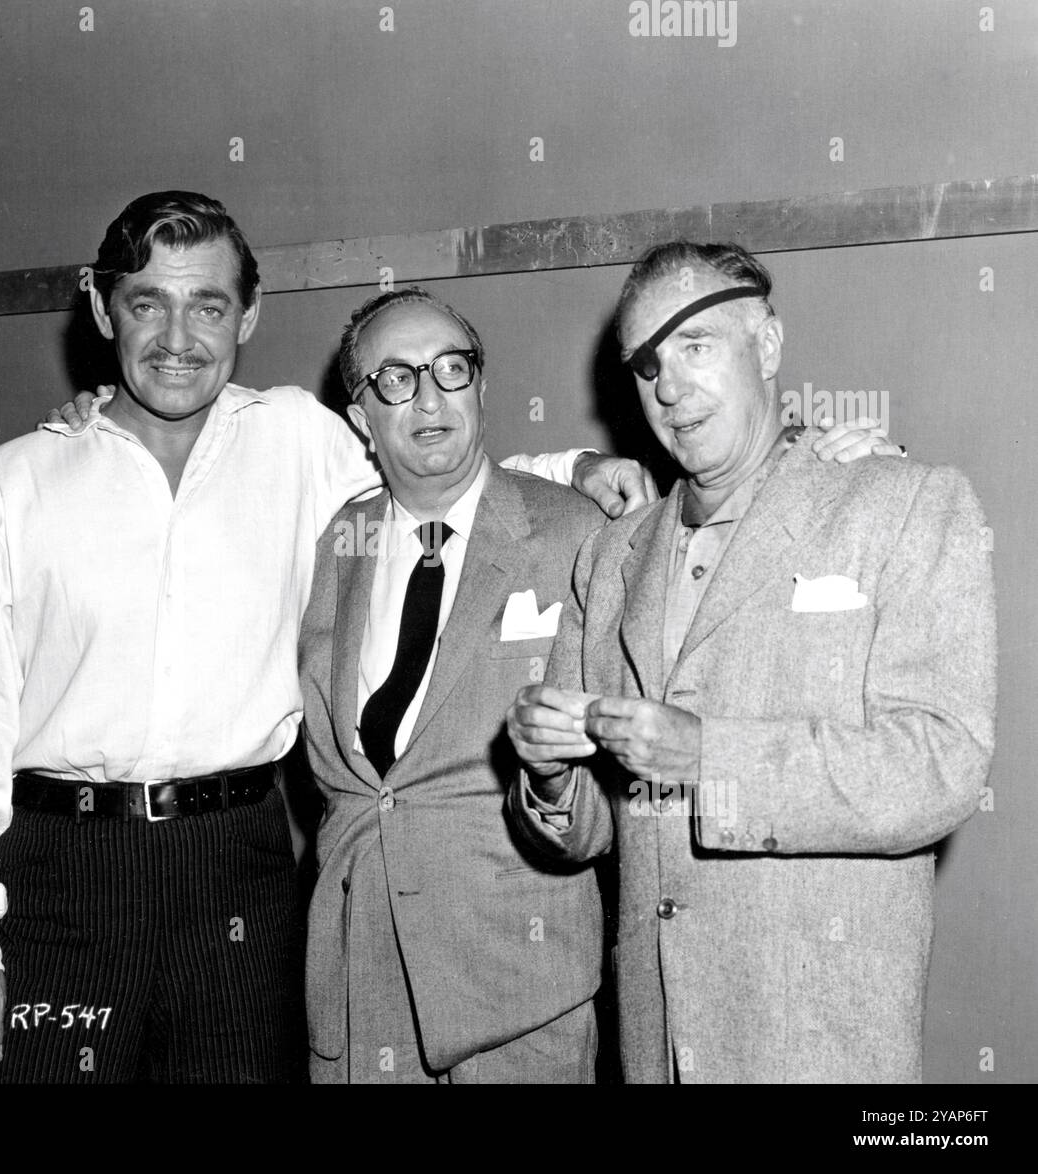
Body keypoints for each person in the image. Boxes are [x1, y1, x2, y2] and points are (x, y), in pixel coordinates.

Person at [0, 191, 656, 1084]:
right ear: (102, 308)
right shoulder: (15, 484)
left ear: (248, 315)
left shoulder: (297, 439)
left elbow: (436, 476)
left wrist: (583, 469)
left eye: (209, 306)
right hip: (63, 877)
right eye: (148, 302)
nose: (178, 337)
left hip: (241, 877)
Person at [298, 286, 898, 1083]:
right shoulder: (333, 541)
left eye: (451, 369)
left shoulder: (585, 532)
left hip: (517, 1002)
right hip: (358, 988)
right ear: (359, 417)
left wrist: (847, 465)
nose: (430, 397)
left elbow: (727, 509)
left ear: (483, 386)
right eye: (396, 379)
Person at [506, 241, 997, 1083]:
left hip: (820, 1040)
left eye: (697, 346)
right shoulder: (611, 557)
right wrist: (549, 776)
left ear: (768, 347)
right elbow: (589, 829)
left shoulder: (903, 501)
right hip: (659, 1044)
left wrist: (710, 755)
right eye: (649, 363)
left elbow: (942, 766)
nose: (670, 386)